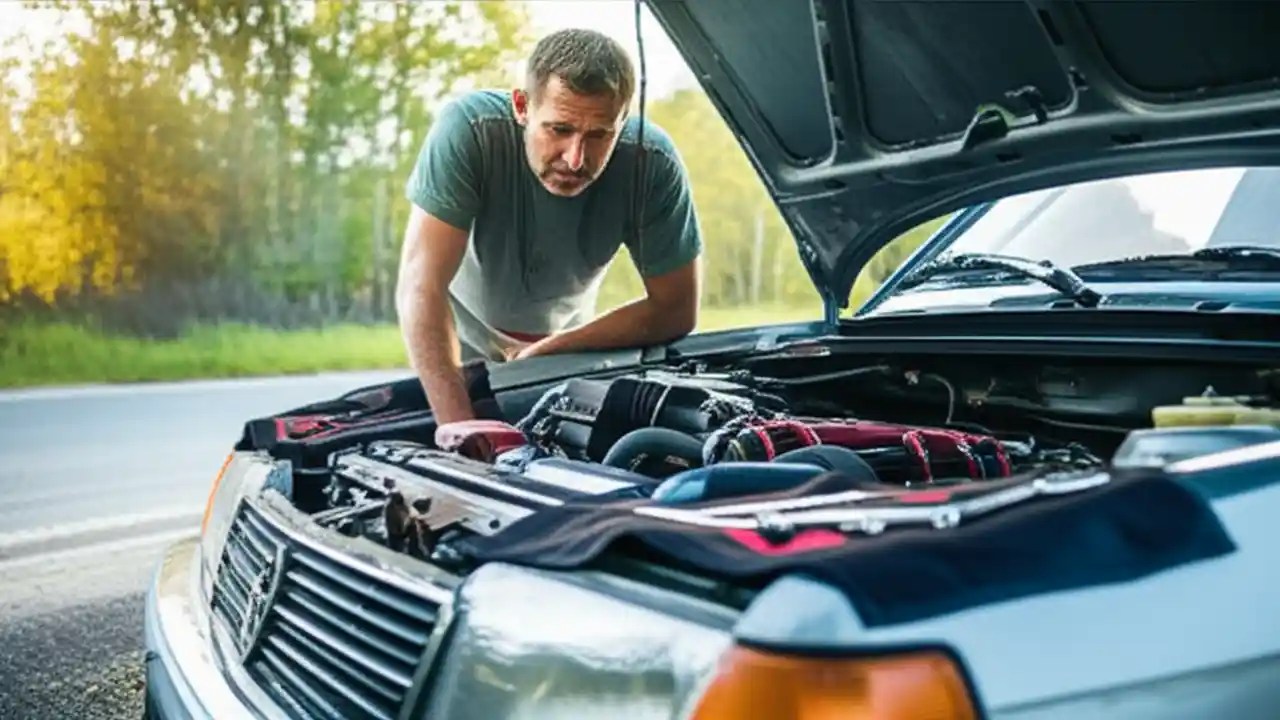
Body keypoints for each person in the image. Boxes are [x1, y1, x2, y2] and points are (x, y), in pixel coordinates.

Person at [395, 28, 703, 424]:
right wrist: (459, 426)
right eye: (559, 129)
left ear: (623, 121)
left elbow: (676, 308)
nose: (575, 159)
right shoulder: (470, 130)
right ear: (522, 106)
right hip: (457, 346)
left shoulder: (652, 163)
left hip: (570, 354)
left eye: (598, 136)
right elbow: (421, 285)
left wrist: (557, 348)